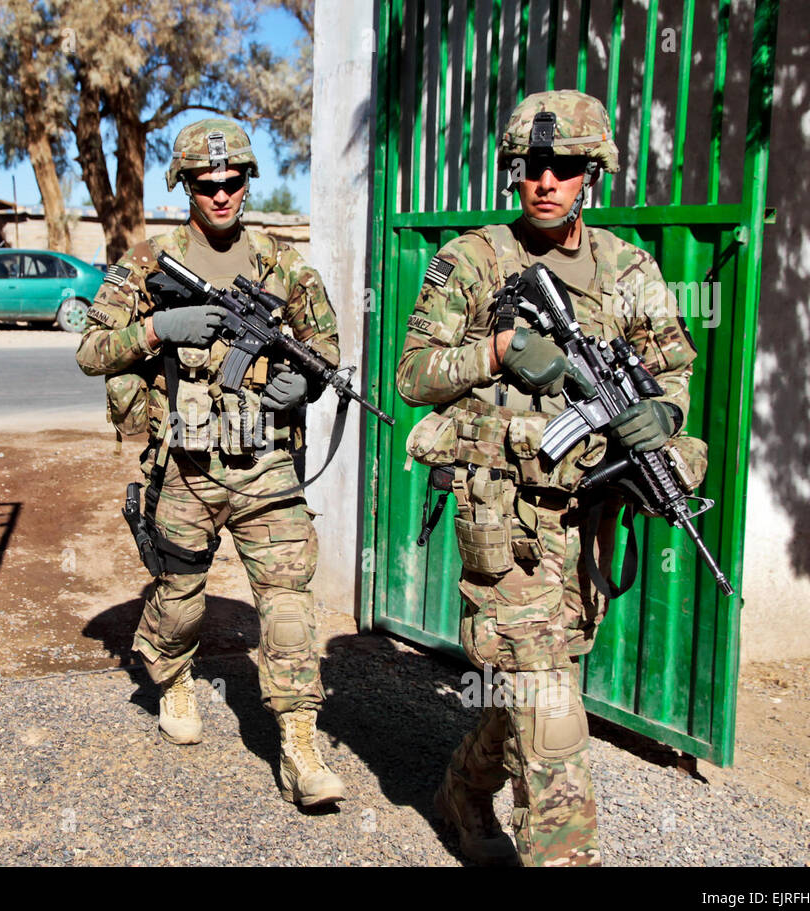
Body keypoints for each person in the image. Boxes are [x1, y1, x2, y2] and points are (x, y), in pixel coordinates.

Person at [396, 90, 699, 865]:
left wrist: (658, 418)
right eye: (532, 166)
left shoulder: (630, 267)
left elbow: (674, 374)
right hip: (507, 525)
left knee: (536, 684)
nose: (546, 180)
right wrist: (494, 354)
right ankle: (564, 853)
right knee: (554, 716)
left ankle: (464, 791)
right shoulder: (473, 259)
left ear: (590, 173)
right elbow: (413, 376)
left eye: (565, 166)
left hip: (587, 521)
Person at [76, 118, 345, 807]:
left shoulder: (285, 265)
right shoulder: (147, 263)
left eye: (235, 182)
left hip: (266, 465)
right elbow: (89, 350)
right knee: (179, 598)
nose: (223, 195)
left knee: (287, 606)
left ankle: (301, 747)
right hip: (184, 468)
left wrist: (307, 381)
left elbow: (326, 348)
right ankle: (172, 680)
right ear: (184, 186)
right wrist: (158, 328)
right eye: (207, 184)